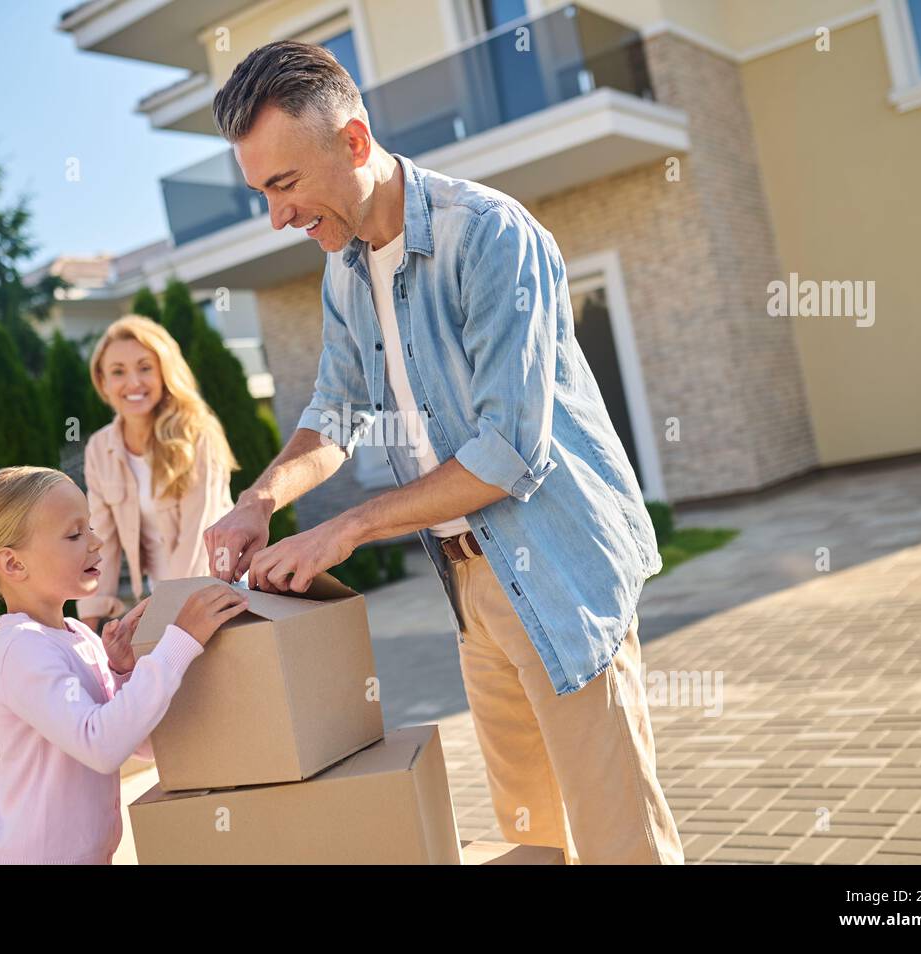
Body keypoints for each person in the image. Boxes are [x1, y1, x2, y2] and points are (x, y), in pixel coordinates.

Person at [203, 41, 683, 864]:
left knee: (619, 844)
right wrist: (260, 501)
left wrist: (345, 530)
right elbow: (334, 413)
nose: (277, 216)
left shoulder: (490, 236)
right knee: (532, 839)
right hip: (468, 585)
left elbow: (506, 454)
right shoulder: (345, 272)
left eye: (285, 185)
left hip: (556, 576)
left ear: (354, 142)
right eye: (261, 194)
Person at [0, 465, 248, 864]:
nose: (96, 543)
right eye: (74, 534)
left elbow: (139, 745)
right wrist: (181, 640)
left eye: (91, 528)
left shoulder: (80, 638)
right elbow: (100, 746)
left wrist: (120, 674)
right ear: (13, 564)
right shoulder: (21, 650)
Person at [77, 315, 236, 633]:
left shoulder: (197, 434)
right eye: (118, 372)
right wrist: (88, 624)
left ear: (164, 372)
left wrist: (170, 619)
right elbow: (102, 542)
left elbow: (198, 536)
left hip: (221, 594)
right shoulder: (99, 448)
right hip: (163, 601)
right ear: (103, 383)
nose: (133, 382)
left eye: (145, 367)